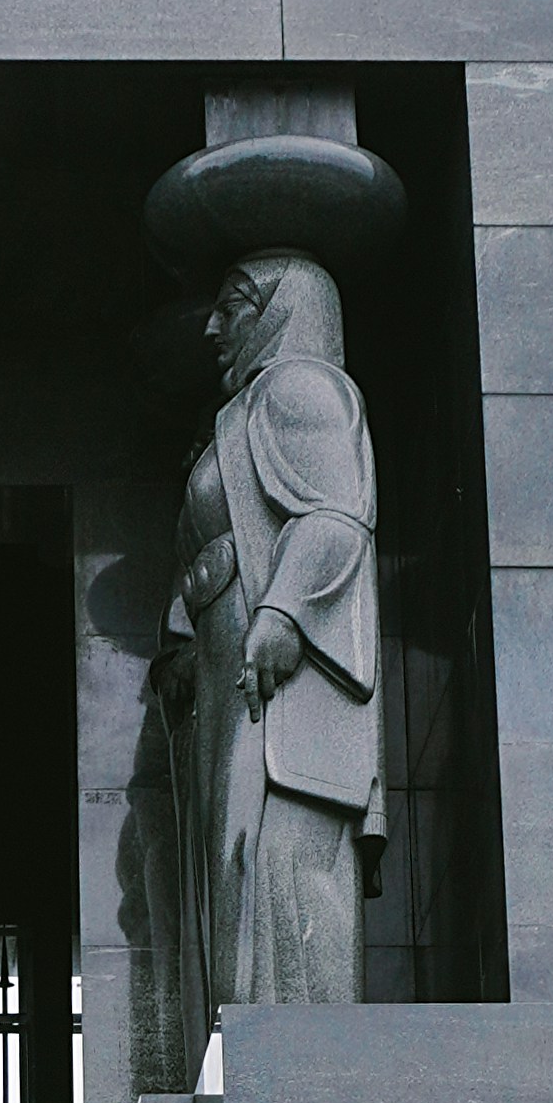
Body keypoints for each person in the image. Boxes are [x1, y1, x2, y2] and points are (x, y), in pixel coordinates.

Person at [169, 246, 383, 1020]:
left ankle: (284, 1049)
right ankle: (247, 1043)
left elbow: (333, 516)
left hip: (271, 676)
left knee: (270, 858)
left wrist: (285, 609)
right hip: (231, 667)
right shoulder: (247, 408)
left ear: (285, 311)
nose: (214, 326)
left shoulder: (297, 387)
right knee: (237, 859)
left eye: (234, 306)